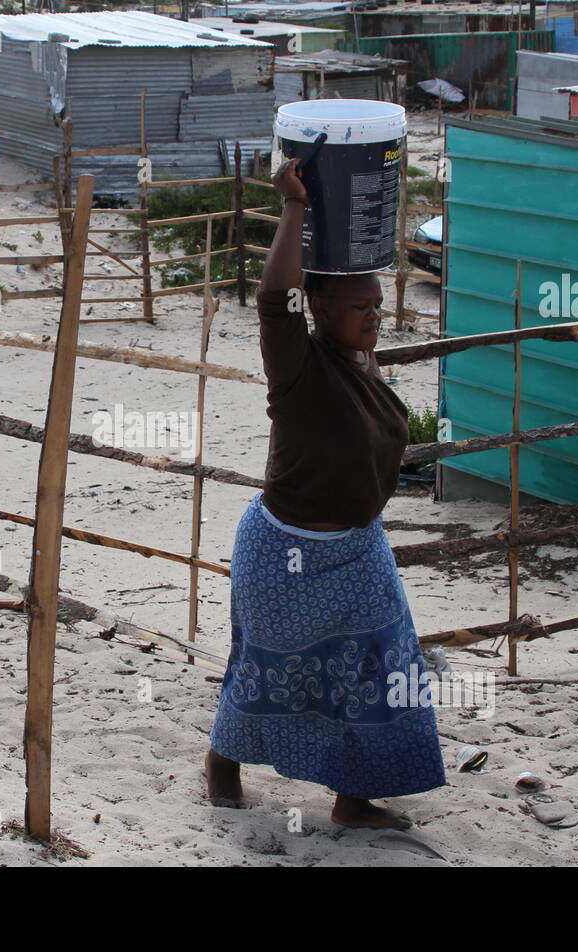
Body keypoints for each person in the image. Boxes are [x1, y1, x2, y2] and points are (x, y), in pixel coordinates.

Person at [204, 157, 446, 830]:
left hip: (360, 550)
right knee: (267, 667)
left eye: (376, 305)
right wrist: (294, 207)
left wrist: (350, 215)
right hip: (286, 551)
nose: (374, 316)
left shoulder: (359, 359)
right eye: (359, 307)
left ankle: (355, 799)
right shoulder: (300, 367)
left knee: (385, 671)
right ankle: (223, 761)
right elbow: (272, 300)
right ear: (320, 310)